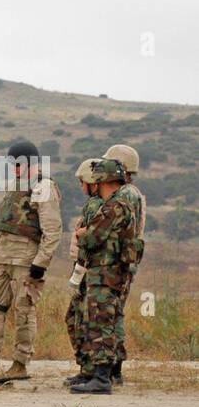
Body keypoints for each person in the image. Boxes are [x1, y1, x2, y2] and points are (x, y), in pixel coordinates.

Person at [0, 140, 62, 379]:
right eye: (12, 164)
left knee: (24, 310)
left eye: (19, 164)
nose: (15, 168)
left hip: (26, 260)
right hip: (4, 258)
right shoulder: (15, 187)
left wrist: (41, 262)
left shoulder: (43, 187)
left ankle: (20, 363)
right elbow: (8, 225)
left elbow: (52, 230)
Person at [70, 158, 138, 394]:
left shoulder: (113, 207)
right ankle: (101, 375)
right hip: (110, 274)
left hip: (105, 274)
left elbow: (92, 238)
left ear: (101, 181)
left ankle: (101, 378)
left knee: (100, 324)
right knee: (102, 322)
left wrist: (81, 233)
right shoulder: (122, 206)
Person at [103, 144, 146, 385]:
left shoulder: (126, 194)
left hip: (119, 262)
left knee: (113, 313)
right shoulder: (130, 192)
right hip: (124, 260)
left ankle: (113, 367)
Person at [63, 159, 102, 386]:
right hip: (87, 269)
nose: (81, 187)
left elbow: (89, 241)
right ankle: (87, 369)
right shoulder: (98, 204)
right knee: (78, 318)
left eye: (82, 182)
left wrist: (79, 271)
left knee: (80, 319)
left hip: (87, 269)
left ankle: (89, 369)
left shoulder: (94, 206)